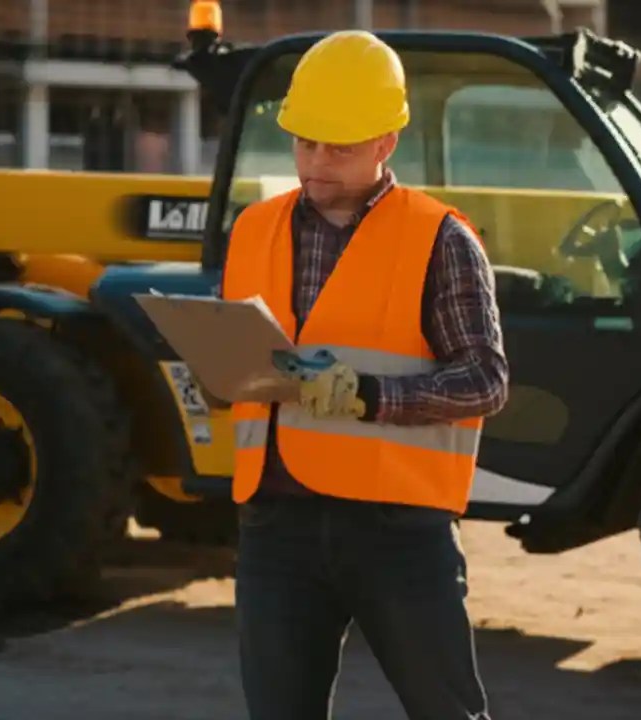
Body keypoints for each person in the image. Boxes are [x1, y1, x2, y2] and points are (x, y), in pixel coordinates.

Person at [218, 29, 510, 720]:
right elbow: (250, 363)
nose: (316, 163)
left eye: (339, 147)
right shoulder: (254, 229)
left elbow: (485, 381)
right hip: (276, 525)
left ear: (386, 141)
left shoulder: (440, 239)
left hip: (397, 532)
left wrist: (374, 397)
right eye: (304, 142)